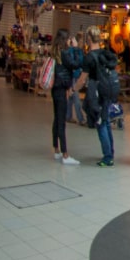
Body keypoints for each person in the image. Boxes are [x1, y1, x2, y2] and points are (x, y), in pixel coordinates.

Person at [82, 27, 120, 167]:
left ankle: (108, 156)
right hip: (108, 90)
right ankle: (110, 152)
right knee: (106, 121)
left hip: (97, 93)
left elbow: (83, 78)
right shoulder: (106, 54)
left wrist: (73, 89)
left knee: (101, 123)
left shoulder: (90, 57)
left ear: (89, 39)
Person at [49, 30, 82, 165]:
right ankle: (65, 154)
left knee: (57, 118)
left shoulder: (55, 51)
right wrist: (76, 48)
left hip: (55, 88)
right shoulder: (65, 53)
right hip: (62, 89)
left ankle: (56, 149)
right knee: (61, 121)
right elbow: (76, 64)